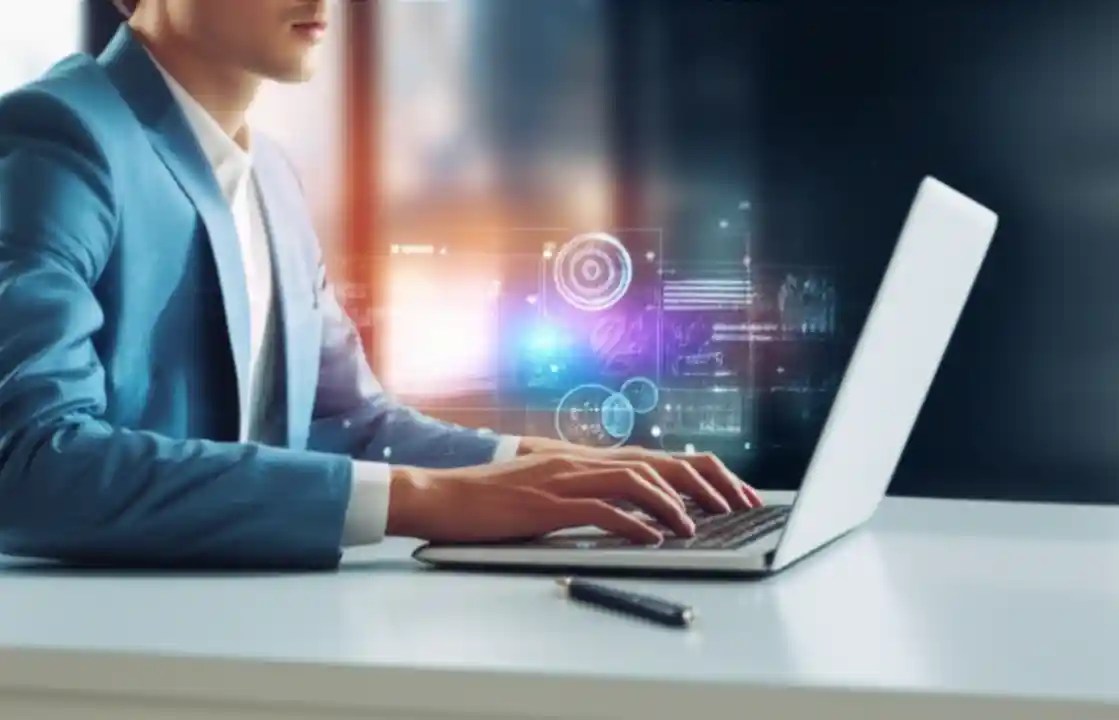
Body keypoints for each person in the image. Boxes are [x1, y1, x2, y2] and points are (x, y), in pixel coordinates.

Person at [0, 0, 761, 569]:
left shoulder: (271, 178)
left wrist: (539, 466)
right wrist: (427, 501)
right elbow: (32, 463)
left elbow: (349, 423)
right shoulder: (60, 139)